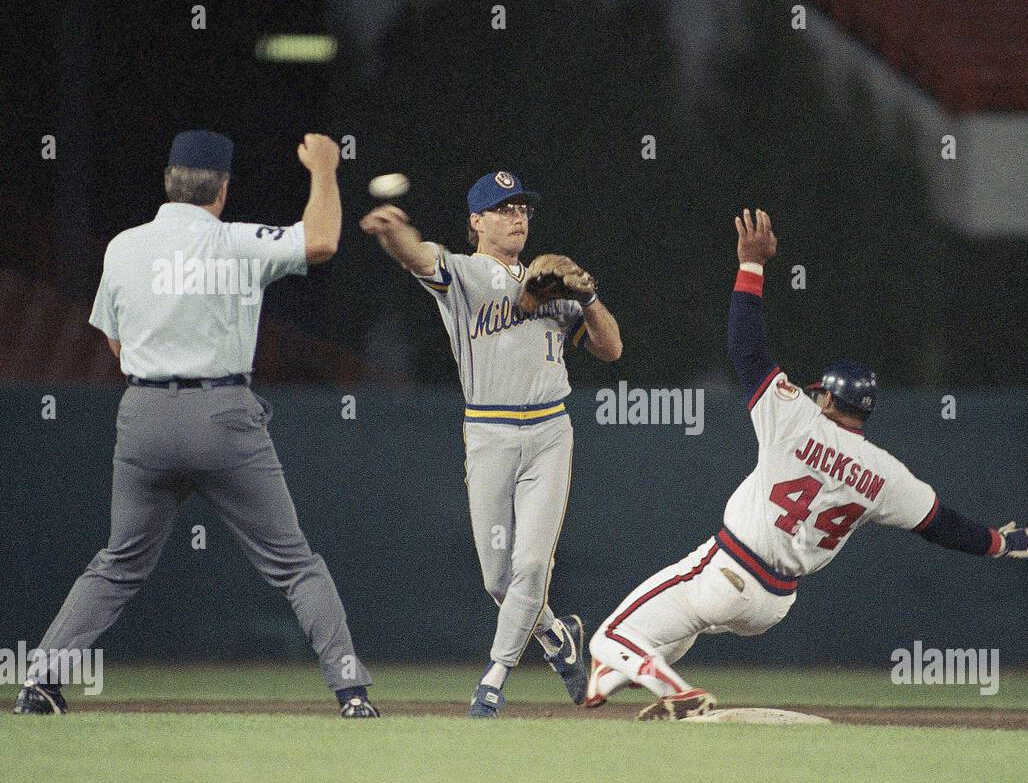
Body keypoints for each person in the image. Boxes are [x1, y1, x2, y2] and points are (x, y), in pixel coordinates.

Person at [585, 209, 1028, 720]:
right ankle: (607, 682)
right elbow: (943, 527)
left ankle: (673, 690)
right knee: (682, 622)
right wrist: (1003, 543)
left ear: (827, 399)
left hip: (729, 569)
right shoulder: (885, 473)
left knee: (610, 634)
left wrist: (751, 267)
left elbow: (747, 347)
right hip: (774, 605)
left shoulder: (797, 419)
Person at [14, 130, 379, 718]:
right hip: (223, 415)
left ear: (169, 182)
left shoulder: (124, 247)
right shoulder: (236, 242)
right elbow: (321, 240)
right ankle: (351, 693)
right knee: (295, 566)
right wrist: (325, 171)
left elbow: (114, 341)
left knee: (118, 563)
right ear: (223, 188)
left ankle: (40, 683)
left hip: (145, 414)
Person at [361, 170, 622, 717]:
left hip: (550, 433)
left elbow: (611, 350)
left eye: (523, 207)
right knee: (497, 578)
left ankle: (493, 679)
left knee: (531, 566)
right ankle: (557, 638)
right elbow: (415, 255)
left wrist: (591, 298)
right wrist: (393, 233)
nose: (518, 216)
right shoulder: (462, 274)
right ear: (476, 222)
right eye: (503, 209)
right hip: (488, 433)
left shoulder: (552, 282)